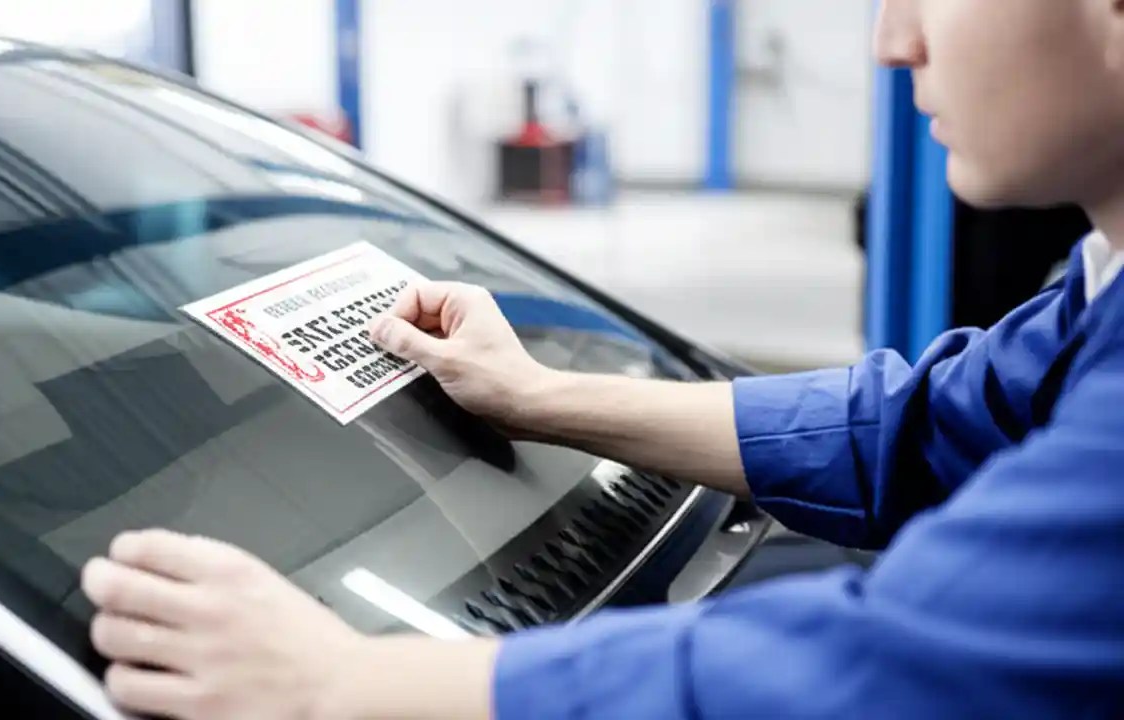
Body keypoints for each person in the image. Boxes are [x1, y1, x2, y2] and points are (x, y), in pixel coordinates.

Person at [77, 1, 1124, 717]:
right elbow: (926, 426)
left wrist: (334, 683)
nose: (891, 43)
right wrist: (541, 398)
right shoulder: (1103, 287)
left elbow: (896, 676)